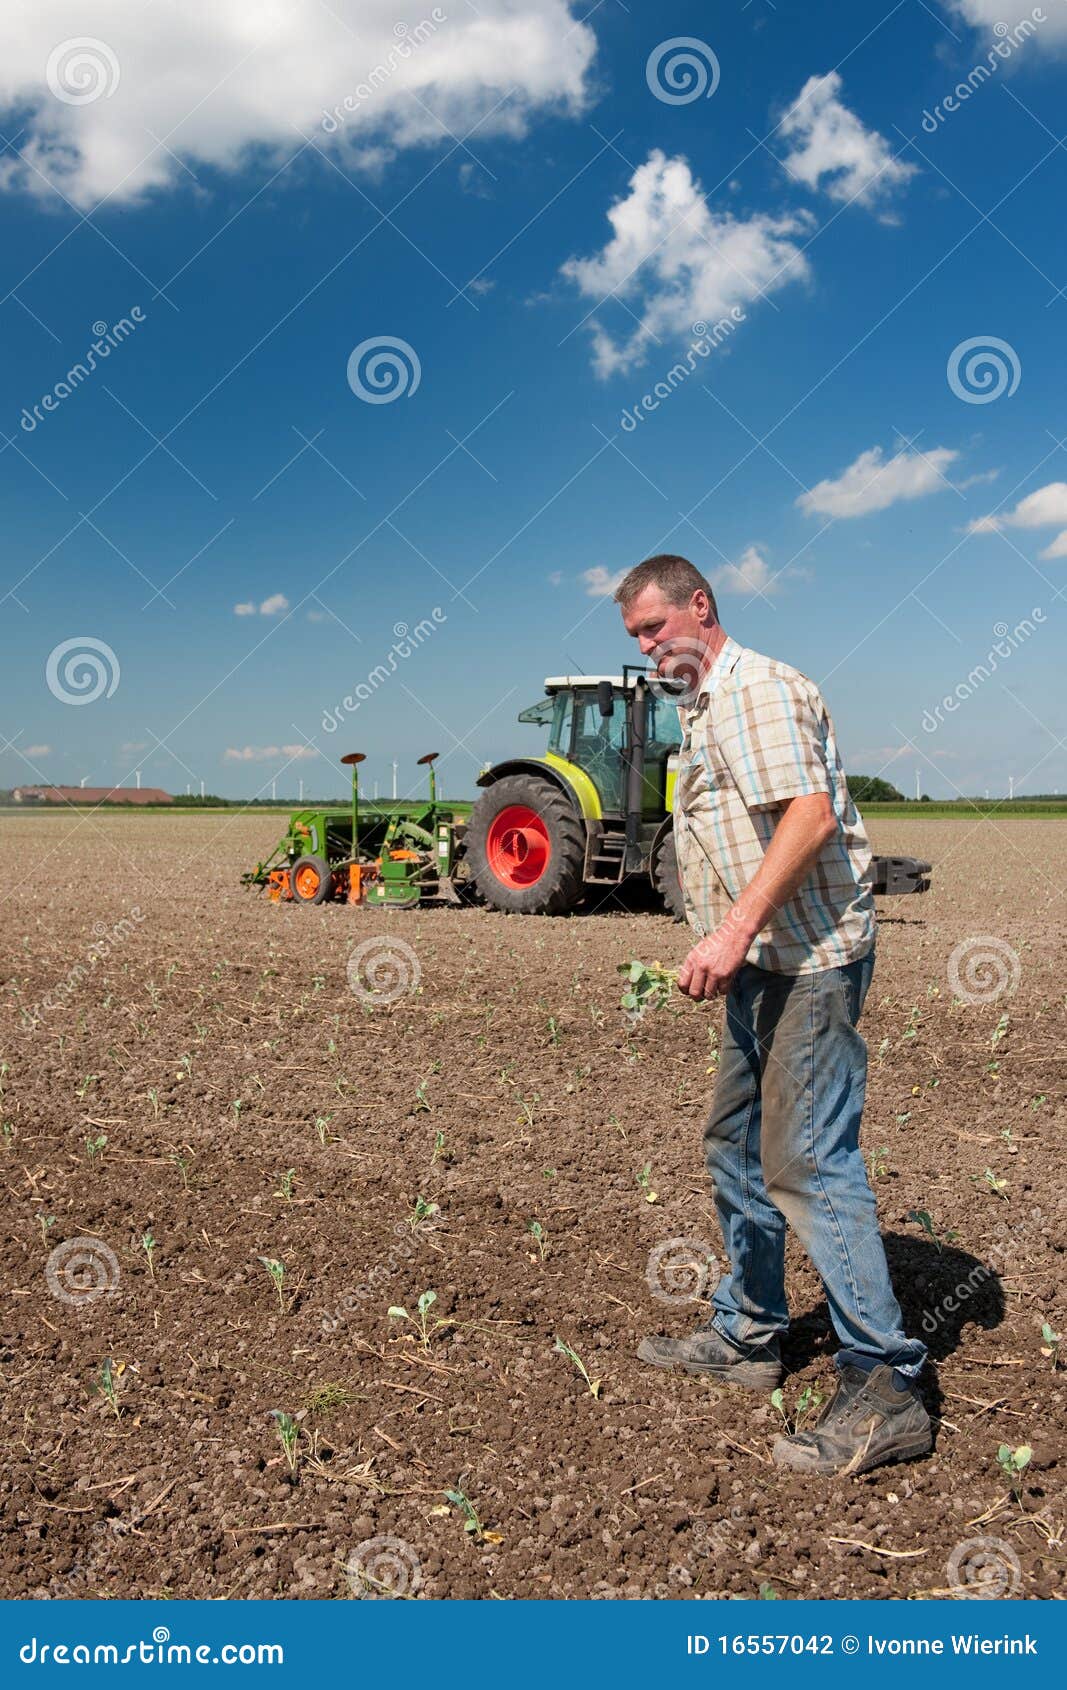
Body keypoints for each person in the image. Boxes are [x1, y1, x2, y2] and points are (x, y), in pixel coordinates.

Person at [615, 553, 931, 1476]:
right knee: (731, 1140)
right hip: (760, 965)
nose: (645, 648)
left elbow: (808, 817)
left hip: (809, 964)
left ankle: (886, 1386)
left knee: (807, 1162)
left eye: (652, 629)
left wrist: (731, 931)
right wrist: (722, 937)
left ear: (698, 607)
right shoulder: (701, 706)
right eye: (634, 638)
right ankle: (750, 1332)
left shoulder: (756, 691)